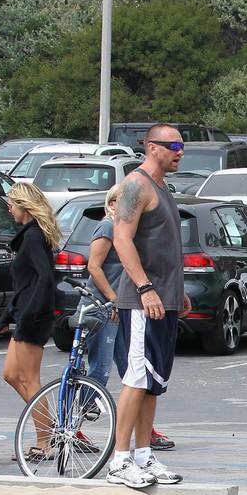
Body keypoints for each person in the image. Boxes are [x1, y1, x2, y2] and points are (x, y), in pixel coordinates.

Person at [107, 124, 188, 489]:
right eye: (173, 145)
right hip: (143, 300)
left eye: (182, 146)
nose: (180, 152)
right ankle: (119, 461)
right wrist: (145, 288)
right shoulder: (135, 185)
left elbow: (163, 246)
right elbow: (121, 239)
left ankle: (143, 455)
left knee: (154, 381)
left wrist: (176, 291)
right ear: (151, 147)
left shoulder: (162, 187)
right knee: (136, 377)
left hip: (164, 299)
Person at [85, 185, 175, 451]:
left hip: (122, 306)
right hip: (103, 306)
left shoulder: (129, 229)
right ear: (111, 204)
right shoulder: (107, 227)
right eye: (120, 200)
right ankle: (72, 424)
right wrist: (114, 299)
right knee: (100, 370)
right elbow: (93, 267)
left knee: (133, 371)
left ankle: (144, 430)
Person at [0, 182, 59, 462]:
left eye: (11, 204)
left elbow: (45, 278)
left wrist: (28, 316)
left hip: (33, 316)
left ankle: (45, 442)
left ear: (24, 205)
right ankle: (49, 424)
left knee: (30, 379)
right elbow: (24, 283)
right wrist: (7, 316)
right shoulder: (30, 236)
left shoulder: (33, 237)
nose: (9, 209)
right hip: (25, 313)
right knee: (11, 374)